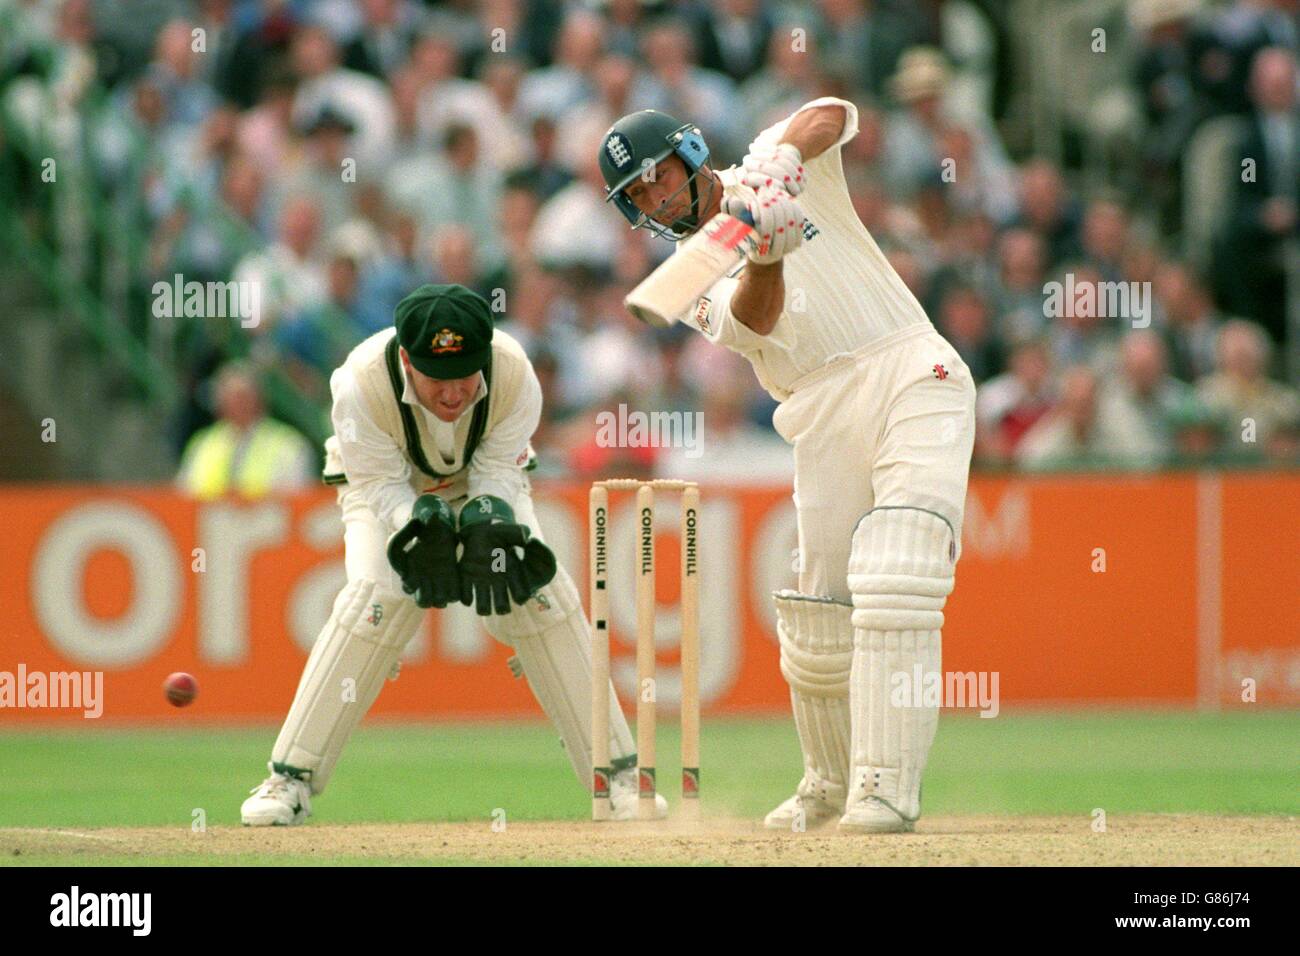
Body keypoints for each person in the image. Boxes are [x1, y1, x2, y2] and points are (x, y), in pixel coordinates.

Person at [597, 100, 977, 833]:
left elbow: (832, 114)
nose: (654, 200)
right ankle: (828, 783)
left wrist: (779, 166)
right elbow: (756, 319)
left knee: (897, 571)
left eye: (656, 178)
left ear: (691, 150)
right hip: (816, 410)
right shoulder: (691, 274)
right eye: (636, 198)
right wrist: (764, 253)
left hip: (909, 367)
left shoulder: (774, 159)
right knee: (820, 614)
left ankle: (885, 787)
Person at [240, 284, 657, 825]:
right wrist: (416, 522)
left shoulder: (512, 372)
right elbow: (380, 484)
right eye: (439, 377)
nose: (456, 392)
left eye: (466, 372)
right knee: (378, 597)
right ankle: (287, 780)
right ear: (408, 359)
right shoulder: (360, 384)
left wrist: (487, 514)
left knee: (539, 595)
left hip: (479, 479)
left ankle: (618, 778)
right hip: (386, 489)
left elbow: (501, 470)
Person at [176, 362, 315, 499]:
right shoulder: (202, 445)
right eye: (230, 397)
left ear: (258, 399)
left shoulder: (288, 445)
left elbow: (297, 498)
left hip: (266, 520)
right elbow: (183, 496)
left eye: (243, 396)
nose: (238, 404)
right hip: (212, 520)